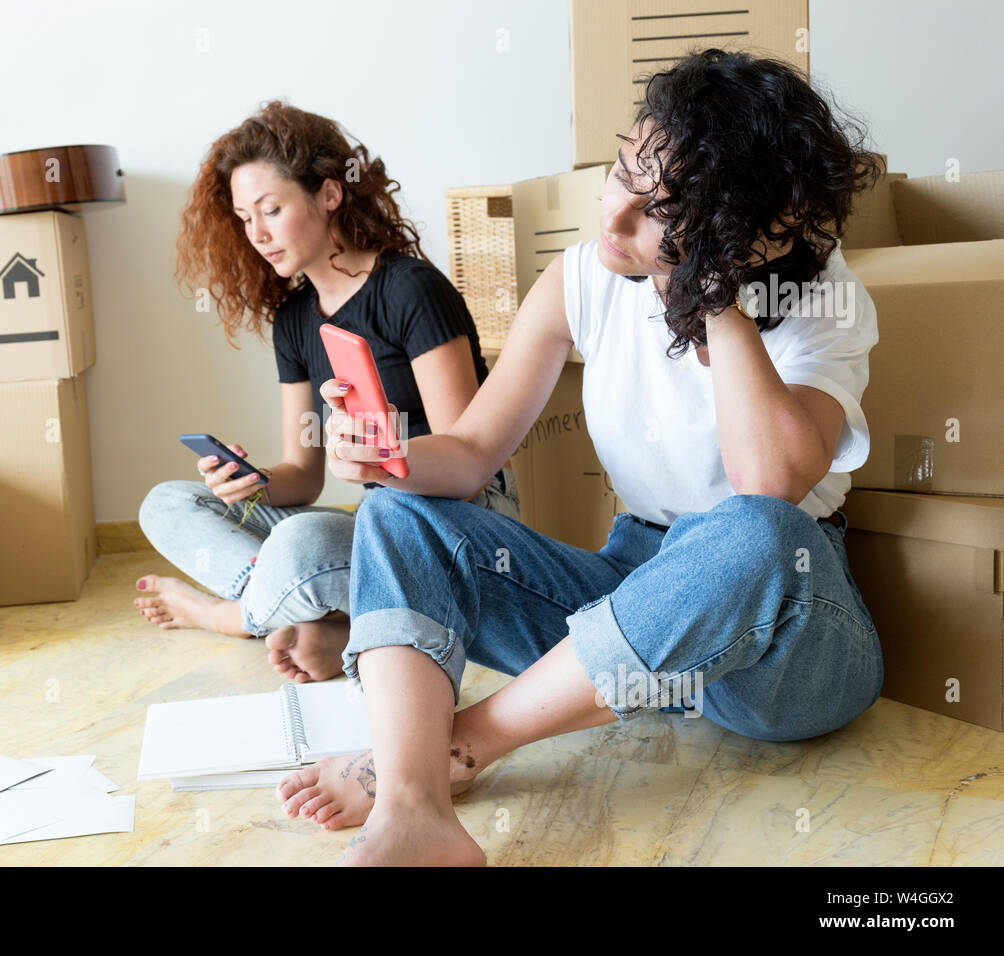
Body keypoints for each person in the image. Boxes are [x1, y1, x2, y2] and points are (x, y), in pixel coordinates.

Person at [275, 48, 887, 865]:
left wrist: (711, 293)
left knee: (756, 530)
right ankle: (413, 808)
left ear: (744, 234)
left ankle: (453, 749)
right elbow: (471, 452)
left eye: (661, 209)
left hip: (782, 636)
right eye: (623, 172)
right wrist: (389, 459)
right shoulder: (580, 278)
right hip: (634, 602)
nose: (615, 219)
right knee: (397, 515)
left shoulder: (823, 299)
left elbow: (768, 483)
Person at [135, 101, 519, 683]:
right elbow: (304, 475)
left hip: (456, 523)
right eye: (244, 218)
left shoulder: (410, 289)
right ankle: (330, 613)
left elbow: (469, 466)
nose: (257, 234)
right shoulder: (294, 320)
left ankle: (232, 616)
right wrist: (252, 482)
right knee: (168, 503)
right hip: (379, 522)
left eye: (271, 209)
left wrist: (377, 451)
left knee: (303, 541)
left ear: (330, 195)